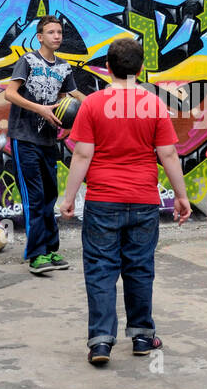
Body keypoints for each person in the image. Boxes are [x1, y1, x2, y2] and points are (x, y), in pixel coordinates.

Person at [60, 39, 193, 365]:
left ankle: (102, 342)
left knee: (101, 270)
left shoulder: (92, 104)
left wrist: (67, 198)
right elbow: (168, 154)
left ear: (108, 67)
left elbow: (82, 153)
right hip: (143, 201)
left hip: (103, 201)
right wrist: (181, 195)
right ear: (139, 68)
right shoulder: (153, 105)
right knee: (139, 268)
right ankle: (143, 337)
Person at [5, 15, 87, 276]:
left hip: (49, 140)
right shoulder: (27, 61)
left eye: (60, 32)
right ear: (40, 37)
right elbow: (10, 93)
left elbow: (70, 98)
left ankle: (51, 249)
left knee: (50, 195)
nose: (57, 36)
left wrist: (103, 105)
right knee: (34, 197)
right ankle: (36, 255)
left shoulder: (64, 67)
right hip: (24, 138)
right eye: (51, 32)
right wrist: (39, 109)